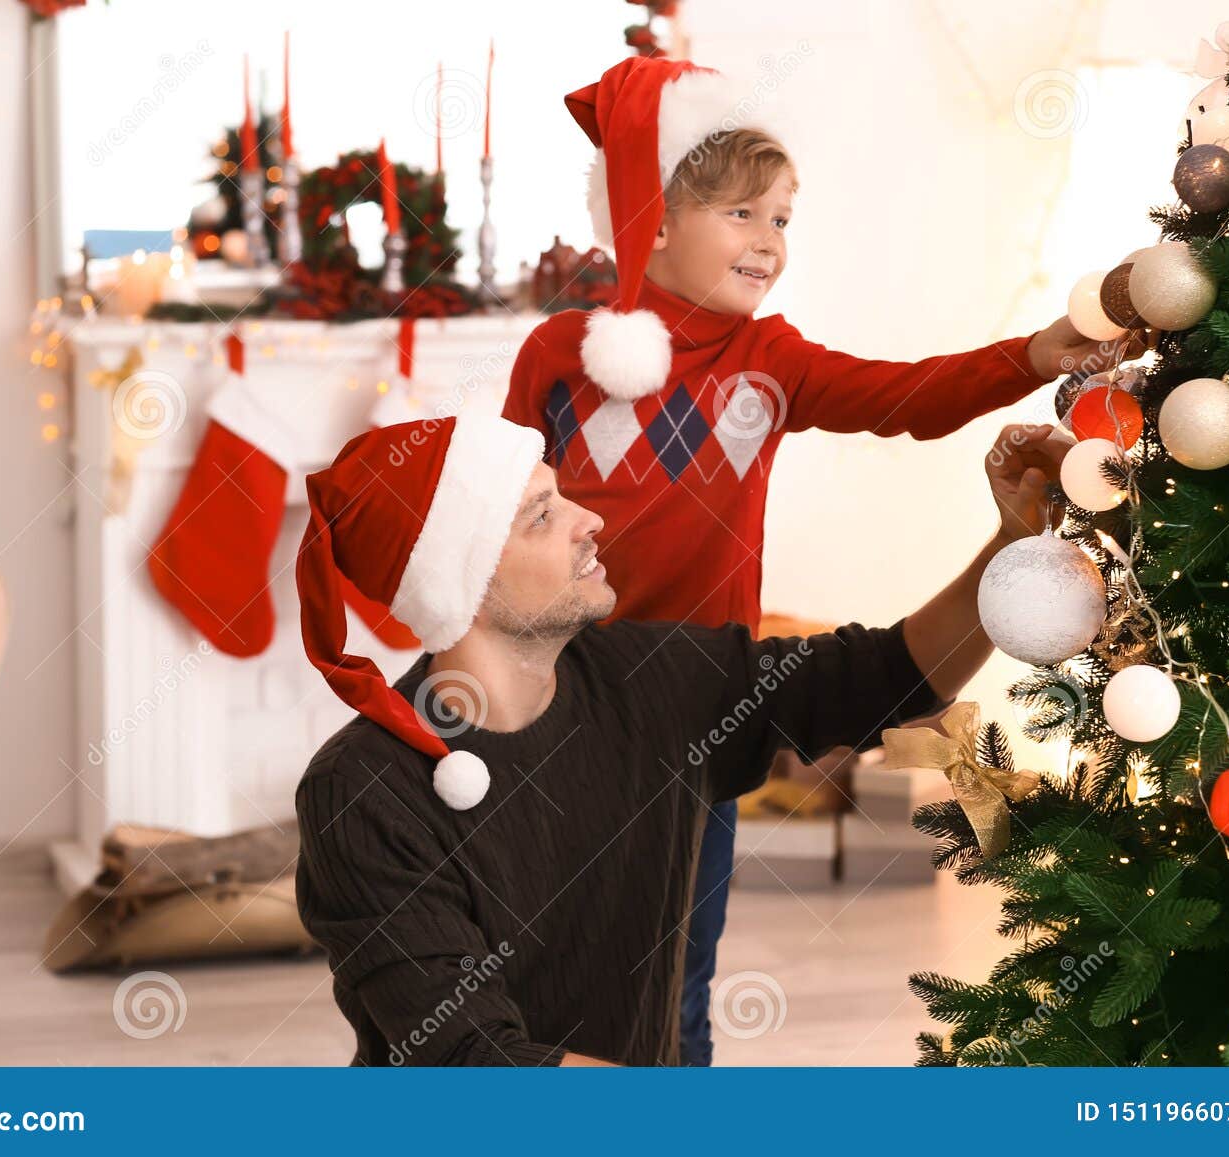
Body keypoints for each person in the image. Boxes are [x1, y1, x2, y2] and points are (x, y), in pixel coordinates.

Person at [499, 54, 1150, 1064]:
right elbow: (502, 522)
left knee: (676, 971)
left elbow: (903, 398)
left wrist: (1030, 352)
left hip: (695, 716)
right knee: (542, 956)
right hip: (558, 703)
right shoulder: (557, 356)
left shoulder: (772, 361)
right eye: (741, 214)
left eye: (782, 218)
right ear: (652, 218)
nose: (767, 241)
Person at [291, 409, 1068, 1066]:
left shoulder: (651, 679)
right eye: (541, 515)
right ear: (460, 585)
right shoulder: (361, 793)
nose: (589, 519)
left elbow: (883, 678)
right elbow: (476, 1065)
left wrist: (1012, 546)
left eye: (560, 495)